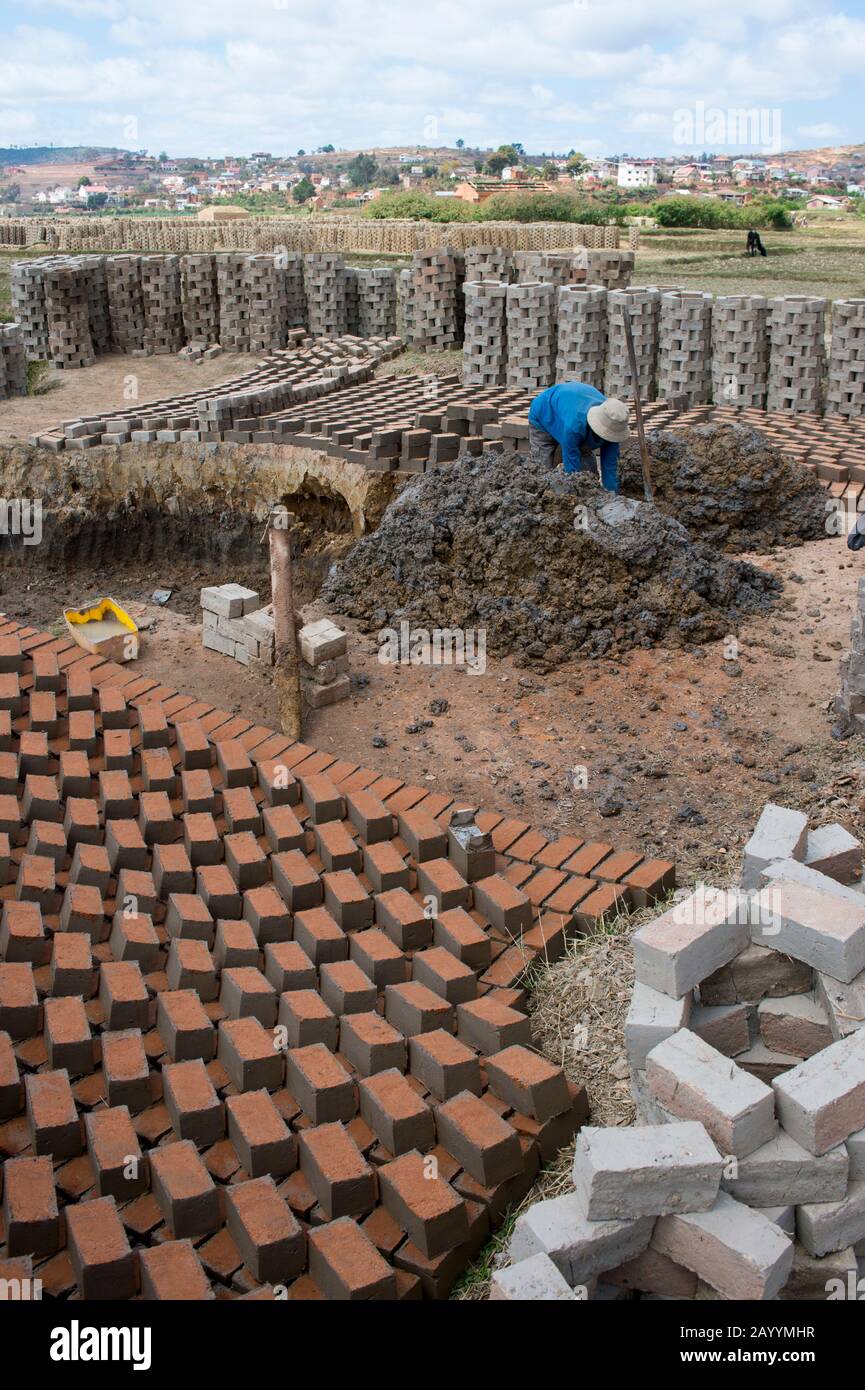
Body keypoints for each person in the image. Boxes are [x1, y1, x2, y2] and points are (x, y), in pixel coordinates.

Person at [527, 381, 630, 493]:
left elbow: (610, 465)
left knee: (590, 479)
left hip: (569, 408)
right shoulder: (575, 426)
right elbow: (572, 469)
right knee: (541, 471)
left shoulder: (613, 421)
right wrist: (574, 497)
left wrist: (612, 495)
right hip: (544, 412)